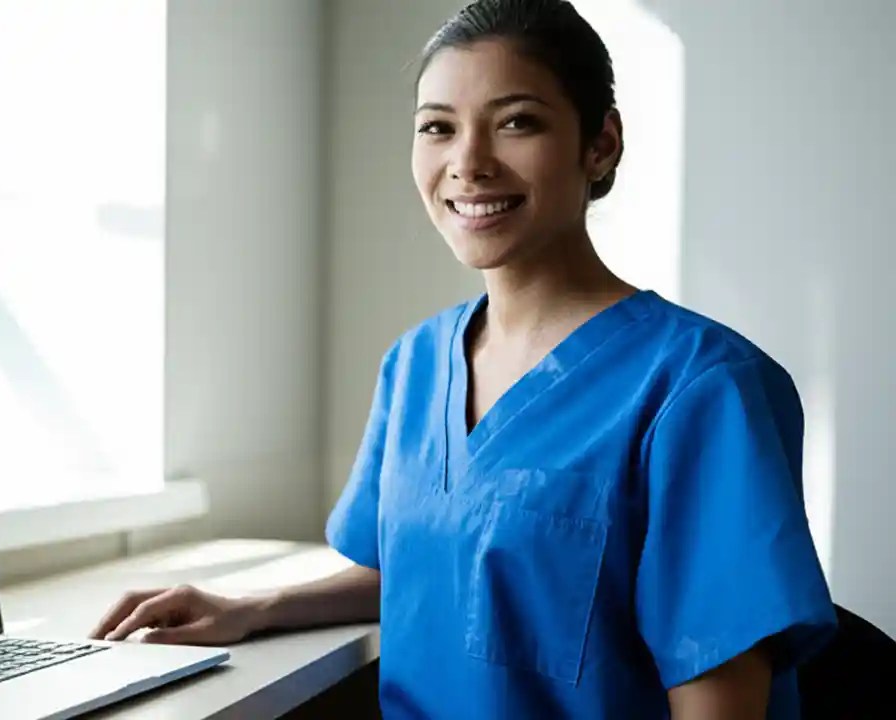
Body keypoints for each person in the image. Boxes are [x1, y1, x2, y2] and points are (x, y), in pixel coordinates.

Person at [90, 0, 837, 717]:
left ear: (600, 143)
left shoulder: (701, 388)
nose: (468, 162)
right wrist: (248, 608)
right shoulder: (414, 365)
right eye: (438, 128)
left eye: (516, 122)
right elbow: (418, 568)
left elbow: (719, 700)